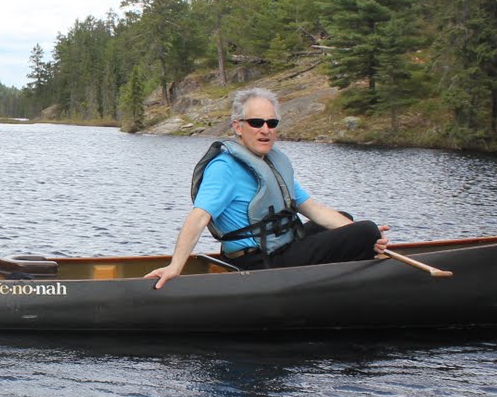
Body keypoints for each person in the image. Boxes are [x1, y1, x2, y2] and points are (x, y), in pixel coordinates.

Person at [146, 87, 388, 288]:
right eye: (256, 122)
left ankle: (349, 269)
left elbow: (315, 210)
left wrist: (363, 235)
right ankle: (353, 273)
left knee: (348, 221)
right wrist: (175, 267)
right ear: (238, 127)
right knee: (365, 231)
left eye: (271, 123)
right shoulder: (225, 168)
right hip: (259, 263)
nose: (265, 129)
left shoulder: (272, 164)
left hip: (283, 249)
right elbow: (198, 217)